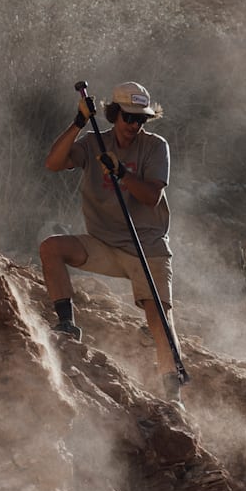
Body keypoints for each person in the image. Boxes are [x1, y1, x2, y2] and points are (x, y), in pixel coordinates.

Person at [40, 81, 185, 404]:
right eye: (128, 117)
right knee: (51, 247)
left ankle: (173, 393)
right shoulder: (94, 142)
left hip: (147, 248)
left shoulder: (155, 146)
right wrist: (78, 123)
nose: (134, 125)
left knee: (160, 320)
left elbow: (151, 196)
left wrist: (122, 174)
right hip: (103, 244)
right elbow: (53, 163)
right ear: (114, 114)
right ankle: (67, 325)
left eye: (141, 119)